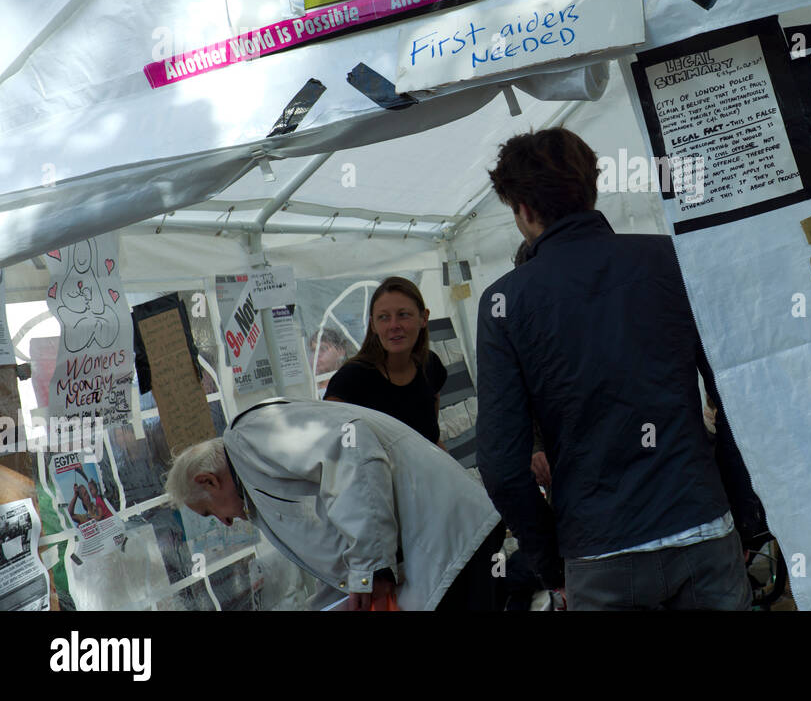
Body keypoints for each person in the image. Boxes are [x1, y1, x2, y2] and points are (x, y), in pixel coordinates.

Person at [475, 128, 769, 611]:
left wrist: (552, 566)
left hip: (599, 549)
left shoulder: (505, 302)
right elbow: (736, 396)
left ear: (522, 210)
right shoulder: (670, 259)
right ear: (592, 186)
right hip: (701, 523)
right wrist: (744, 516)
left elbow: (504, 468)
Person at [164, 398, 505, 611]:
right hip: (442, 546)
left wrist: (372, 569)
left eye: (209, 513)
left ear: (208, 481)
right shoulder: (252, 484)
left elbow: (351, 448)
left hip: (448, 537)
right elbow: (332, 544)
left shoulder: (249, 435)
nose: (224, 523)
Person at [324, 277, 446, 447]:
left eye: (403, 315)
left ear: (424, 318)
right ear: (372, 324)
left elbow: (431, 441)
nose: (393, 325)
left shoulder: (430, 365)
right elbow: (334, 449)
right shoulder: (350, 380)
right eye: (383, 317)